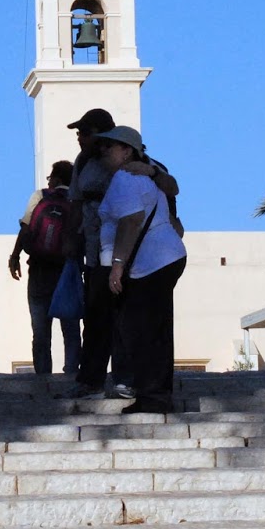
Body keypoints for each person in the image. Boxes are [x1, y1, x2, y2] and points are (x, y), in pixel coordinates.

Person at [67, 107, 180, 399]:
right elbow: (76, 204)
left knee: (128, 321)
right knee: (95, 318)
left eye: (88, 134)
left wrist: (152, 172)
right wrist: (72, 242)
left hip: (132, 257)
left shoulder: (141, 165)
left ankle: (127, 379)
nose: (83, 140)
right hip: (97, 253)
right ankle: (90, 378)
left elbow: (170, 188)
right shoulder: (83, 164)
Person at [97, 125, 187, 415]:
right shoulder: (138, 176)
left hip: (150, 263)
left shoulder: (125, 177)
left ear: (127, 151)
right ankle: (157, 395)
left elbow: (131, 220)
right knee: (155, 330)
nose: (103, 151)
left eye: (110, 146)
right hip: (163, 258)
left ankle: (152, 396)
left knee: (141, 330)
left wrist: (117, 267)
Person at [9, 160, 80, 376]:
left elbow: (26, 226)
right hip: (67, 270)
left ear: (56, 178)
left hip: (39, 269)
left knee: (40, 330)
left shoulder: (40, 196)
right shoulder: (77, 200)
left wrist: (15, 256)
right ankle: (71, 372)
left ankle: (43, 376)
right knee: (70, 327)